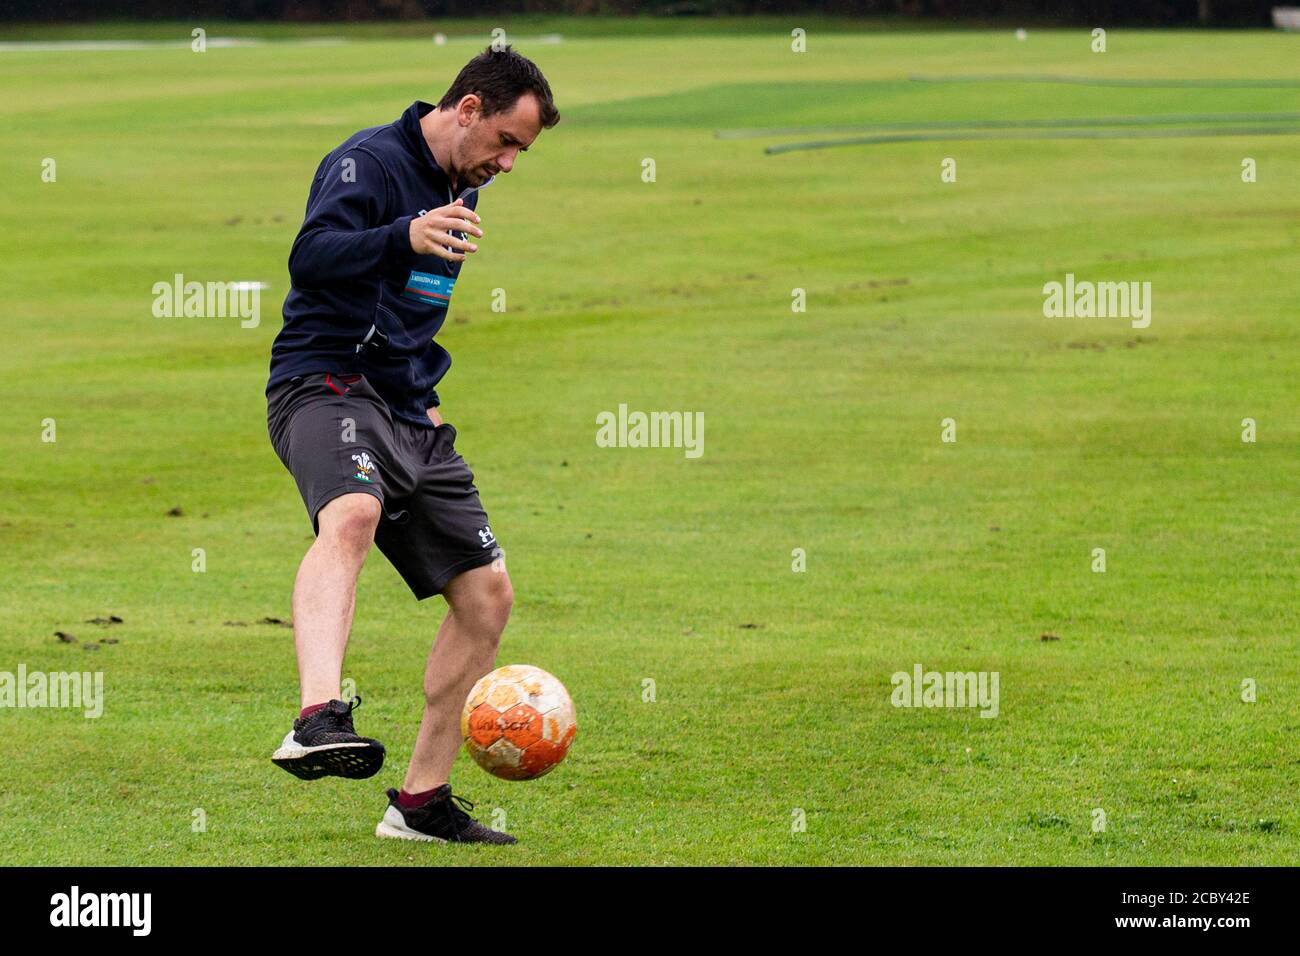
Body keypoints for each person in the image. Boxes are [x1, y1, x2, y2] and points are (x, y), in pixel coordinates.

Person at [263, 45, 559, 845]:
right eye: (506, 141)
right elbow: (310, 257)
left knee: (487, 594)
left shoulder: (458, 188)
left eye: (519, 153)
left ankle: (419, 803)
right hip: (323, 385)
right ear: (467, 107)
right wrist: (402, 234)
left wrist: (420, 396)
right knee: (352, 512)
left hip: (405, 407)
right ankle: (318, 715)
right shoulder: (368, 164)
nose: (508, 163)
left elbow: (409, 313)